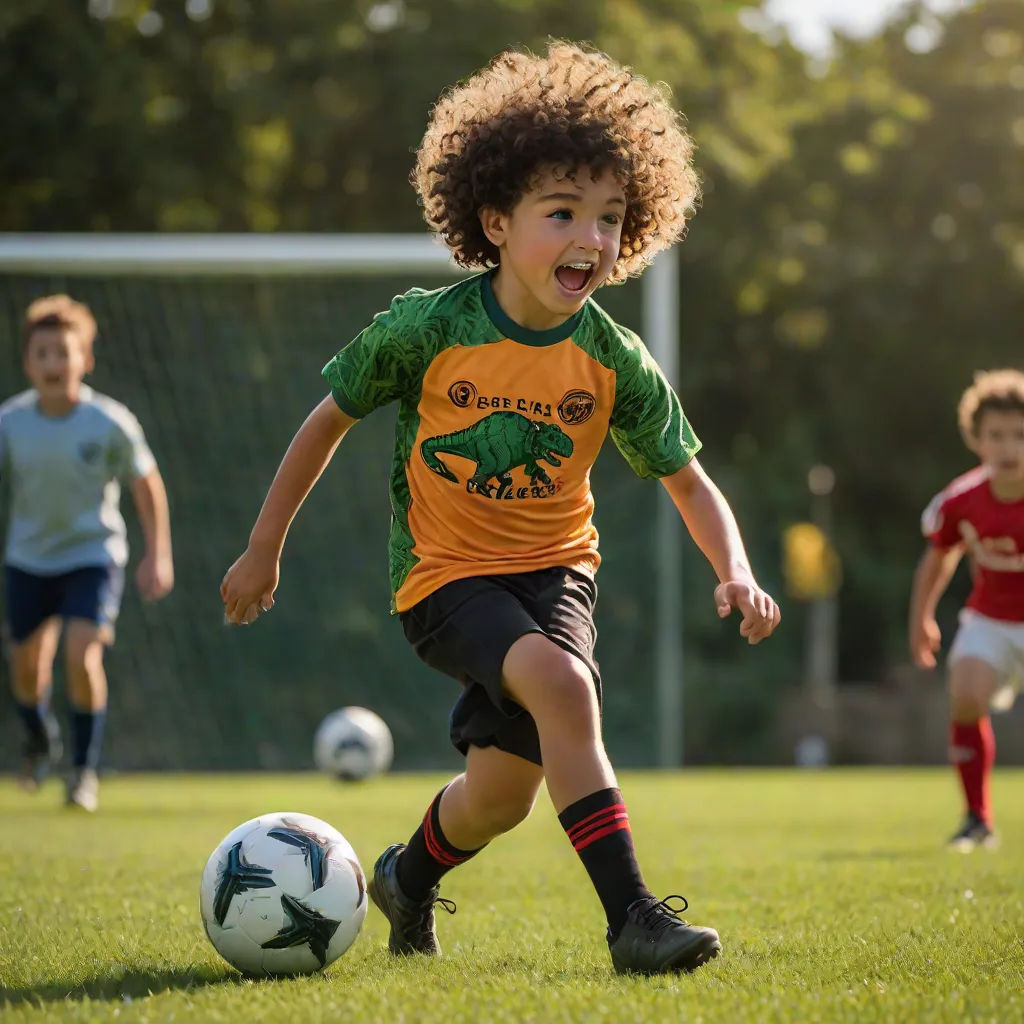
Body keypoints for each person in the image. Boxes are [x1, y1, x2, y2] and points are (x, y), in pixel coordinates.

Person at [221, 41, 780, 975]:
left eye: (610, 218)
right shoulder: (428, 328)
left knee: (499, 797)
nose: (590, 237)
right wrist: (262, 548)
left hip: (558, 576)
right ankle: (634, 919)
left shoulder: (613, 359)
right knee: (565, 687)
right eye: (562, 212)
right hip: (443, 578)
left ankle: (405, 878)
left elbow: (688, 478)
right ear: (495, 220)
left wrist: (737, 570)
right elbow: (327, 422)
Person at [1, 294, 174, 811]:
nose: (53, 363)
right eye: (42, 353)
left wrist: (157, 554)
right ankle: (37, 733)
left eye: (63, 352)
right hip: (28, 560)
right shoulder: (10, 423)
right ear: (27, 362)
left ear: (85, 359)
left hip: (93, 556)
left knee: (82, 652)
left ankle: (82, 772)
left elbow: (146, 484)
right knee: (26, 669)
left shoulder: (109, 421)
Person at [910, 368, 1024, 851]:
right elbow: (939, 558)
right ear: (976, 440)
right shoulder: (961, 500)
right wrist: (921, 619)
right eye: (996, 435)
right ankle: (978, 819)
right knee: (965, 691)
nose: (1008, 446)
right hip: (990, 619)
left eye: (1019, 434)